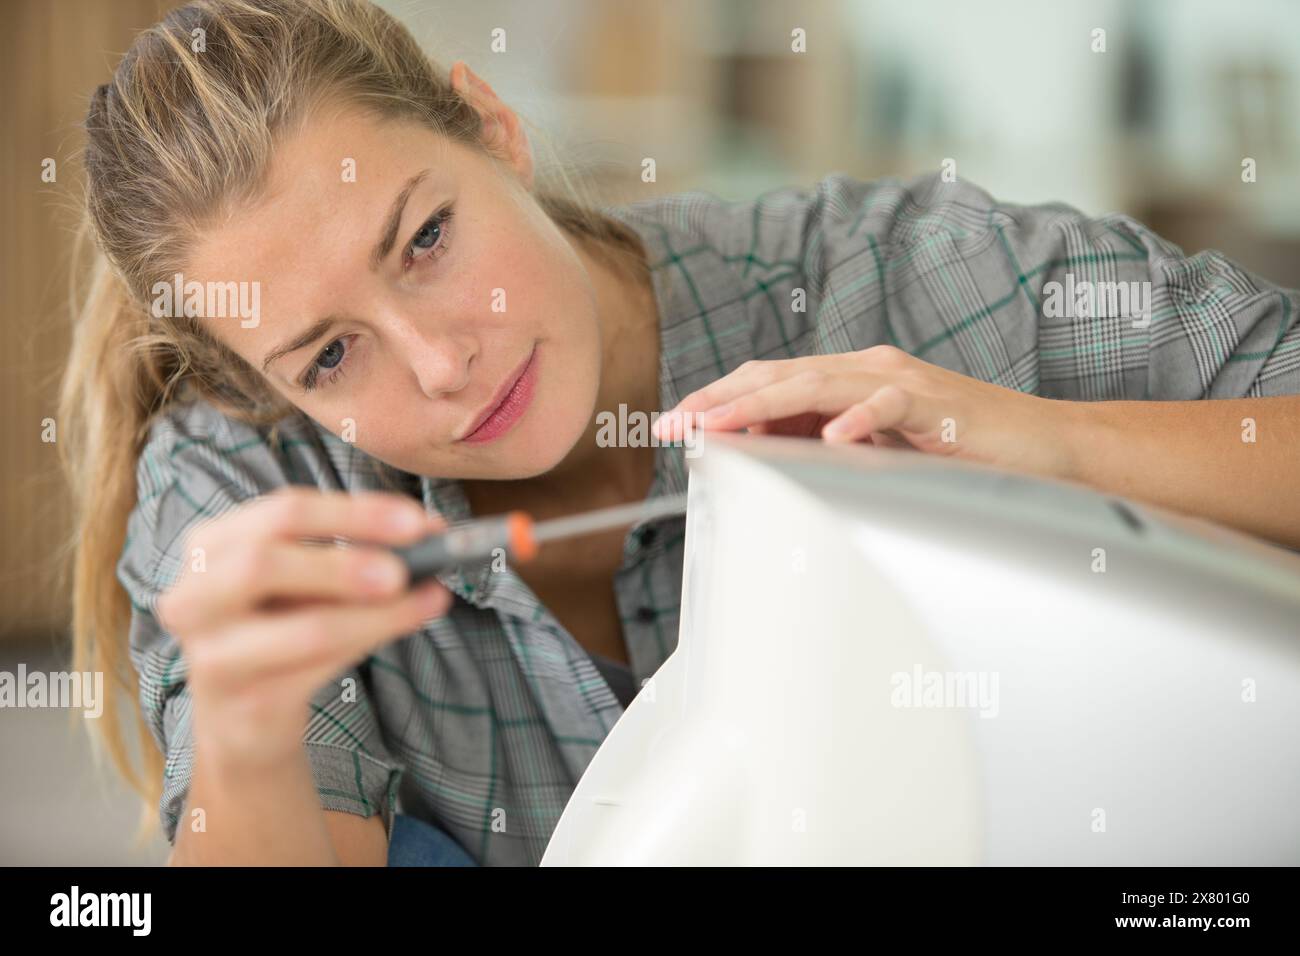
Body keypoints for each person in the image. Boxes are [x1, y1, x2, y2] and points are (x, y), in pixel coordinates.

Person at [63, 0, 1300, 867]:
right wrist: (243, 737)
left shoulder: (914, 279)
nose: (446, 361)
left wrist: (1049, 448)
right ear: (263, 388)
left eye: (427, 238)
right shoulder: (241, 491)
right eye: (331, 354)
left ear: (490, 127)